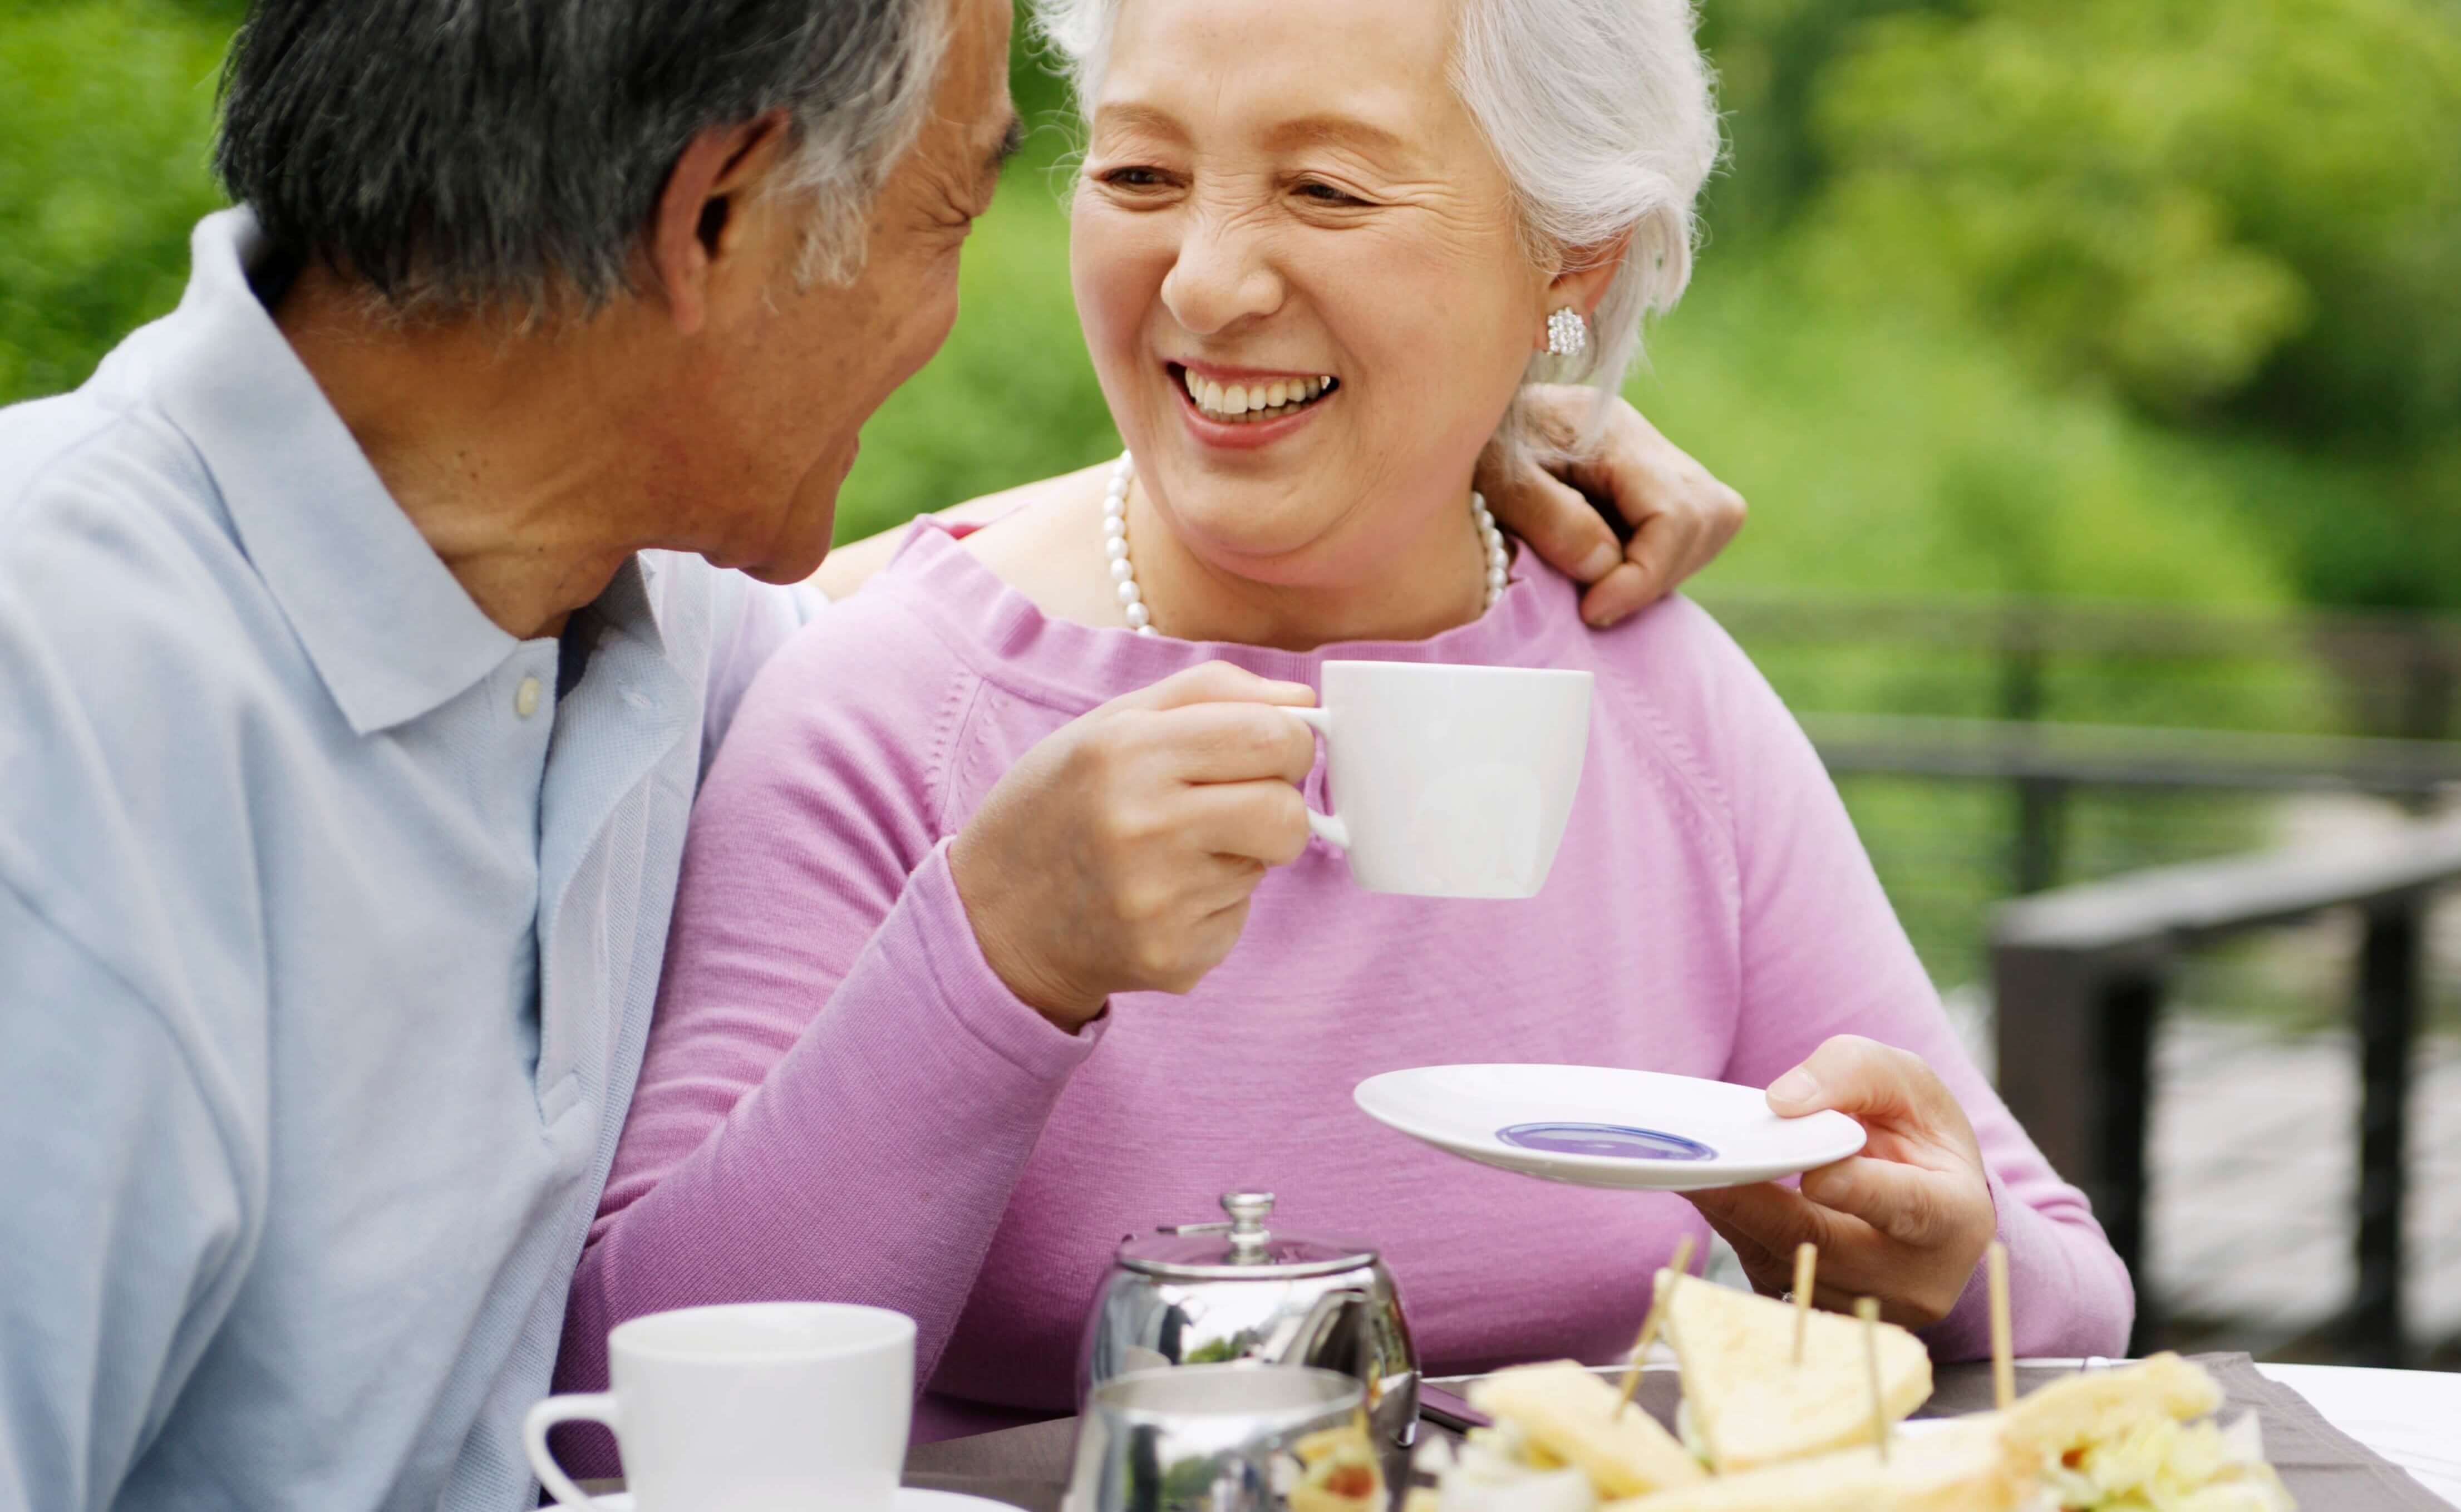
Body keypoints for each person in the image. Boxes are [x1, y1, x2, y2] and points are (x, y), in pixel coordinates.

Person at [0, 0, 1749, 1502]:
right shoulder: (58, 730)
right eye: (948, 212)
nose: (949, 318)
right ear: (719, 217)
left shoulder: (637, 614)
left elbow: (959, 621)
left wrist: (1457, 433)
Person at [562, 0, 2134, 1452]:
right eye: (1141, 173)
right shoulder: (897, 699)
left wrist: (1935, 1259)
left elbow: (2061, 1291)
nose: (1204, 280)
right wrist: (994, 962)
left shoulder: (1653, 689)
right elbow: (635, 1393)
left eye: (1325, 192)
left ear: (1573, 252)